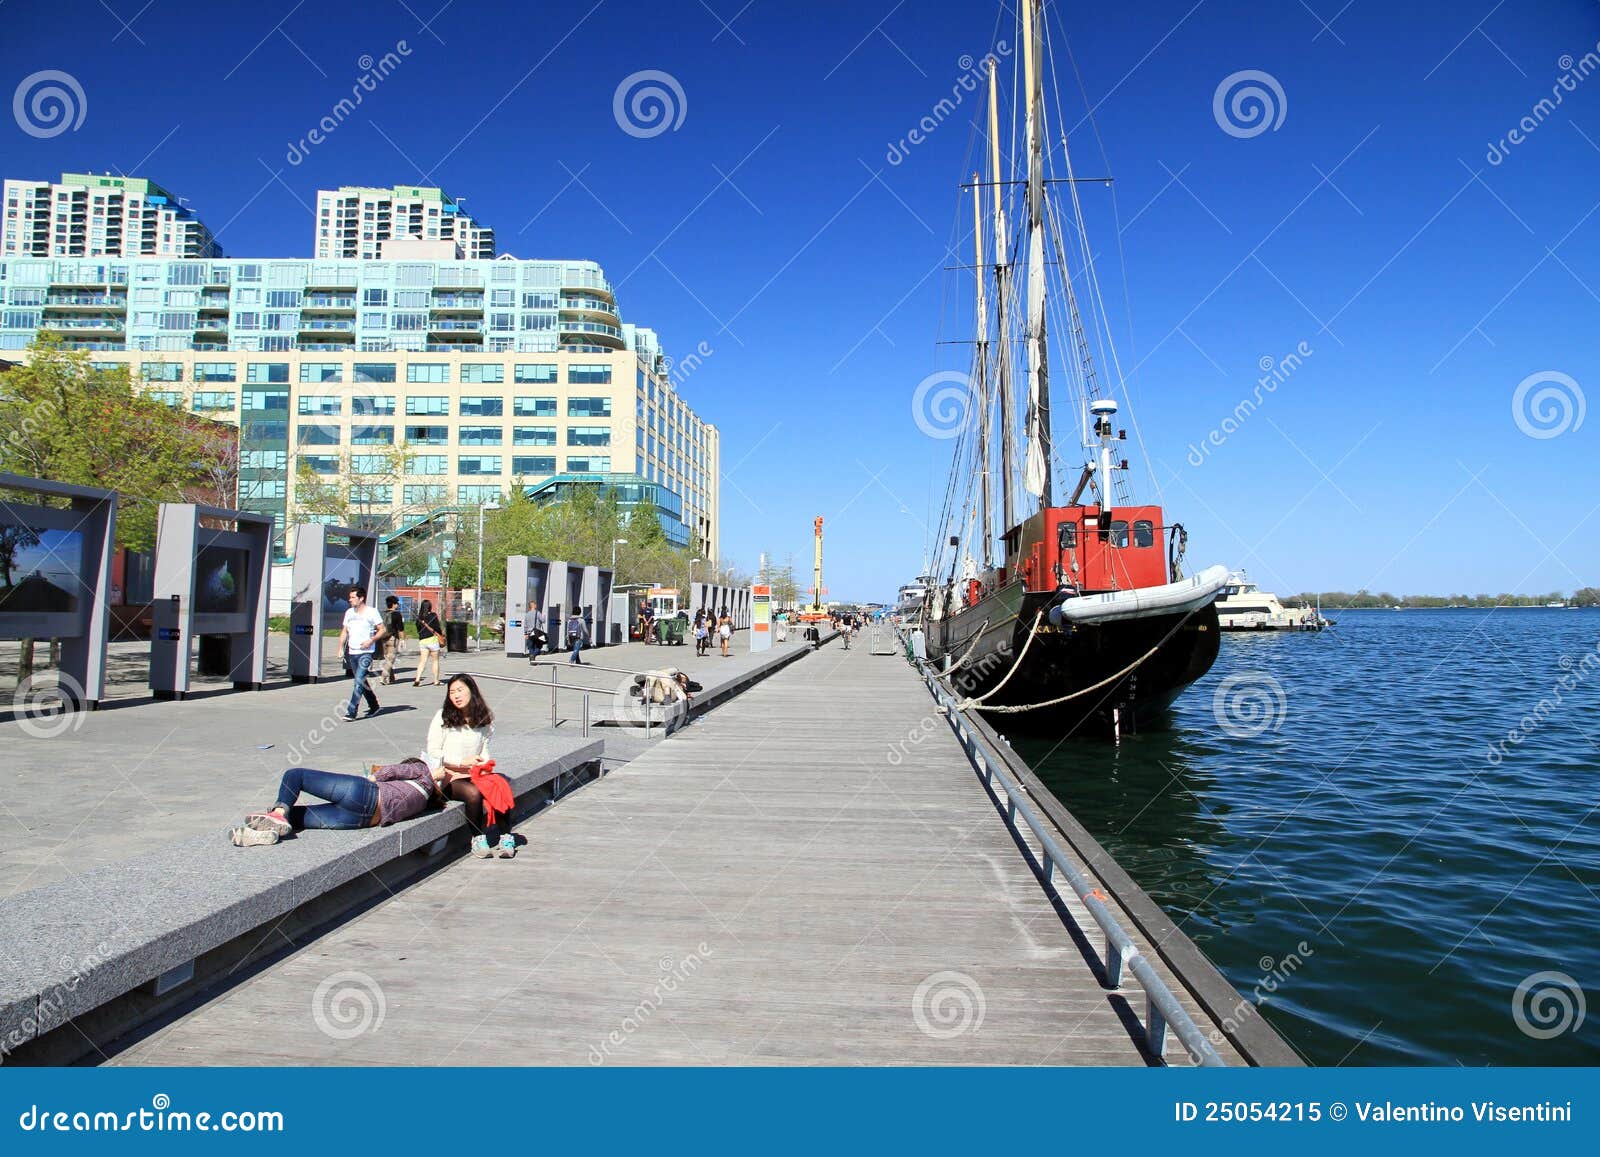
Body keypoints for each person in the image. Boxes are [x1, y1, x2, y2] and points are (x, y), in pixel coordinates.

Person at [230, 757, 439, 845]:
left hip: (365, 793)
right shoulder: (423, 803)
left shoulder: (423, 772)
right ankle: (262, 833)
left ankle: (277, 813)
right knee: (297, 817)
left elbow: (394, 770)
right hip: (362, 820)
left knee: (295, 775)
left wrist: (373, 777)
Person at [426, 674, 513, 858]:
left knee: (500, 786)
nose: (456, 696)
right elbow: (433, 751)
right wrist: (460, 762)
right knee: (473, 793)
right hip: (448, 774)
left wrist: (483, 761)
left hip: (474, 772)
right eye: (452, 692)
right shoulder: (442, 716)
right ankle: (477, 838)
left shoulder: (484, 719)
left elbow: (484, 749)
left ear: (471, 691)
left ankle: (506, 836)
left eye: (460, 690)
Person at [338, 587, 386, 721]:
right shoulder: (349, 613)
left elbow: (382, 630)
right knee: (362, 681)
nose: (350, 600)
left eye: (353, 597)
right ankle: (374, 706)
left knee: (358, 682)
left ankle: (351, 712)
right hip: (352, 652)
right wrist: (340, 647)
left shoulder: (371, 612)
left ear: (361, 598)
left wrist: (371, 640)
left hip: (366, 652)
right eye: (350, 597)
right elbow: (344, 631)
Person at [413, 598, 444, 687]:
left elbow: (418, 630)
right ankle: (436, 680)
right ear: (430, 607)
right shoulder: (433, 615)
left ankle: (417, 679)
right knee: (435, 661)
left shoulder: (419, 618)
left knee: (422, 661)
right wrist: (441, 636)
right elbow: (437, 628)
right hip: (432, 640)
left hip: (423, 641)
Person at [380, 595, 405, 685]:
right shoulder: (397, 614)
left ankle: (391, 678)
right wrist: (402, 640)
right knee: (391, 659)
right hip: (392, 638)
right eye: (397, 603)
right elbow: (400, 628)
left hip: (383, 638)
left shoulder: (382, 613)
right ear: (394, 604)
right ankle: (384, 676)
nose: (398, 605)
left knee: (387, 658)